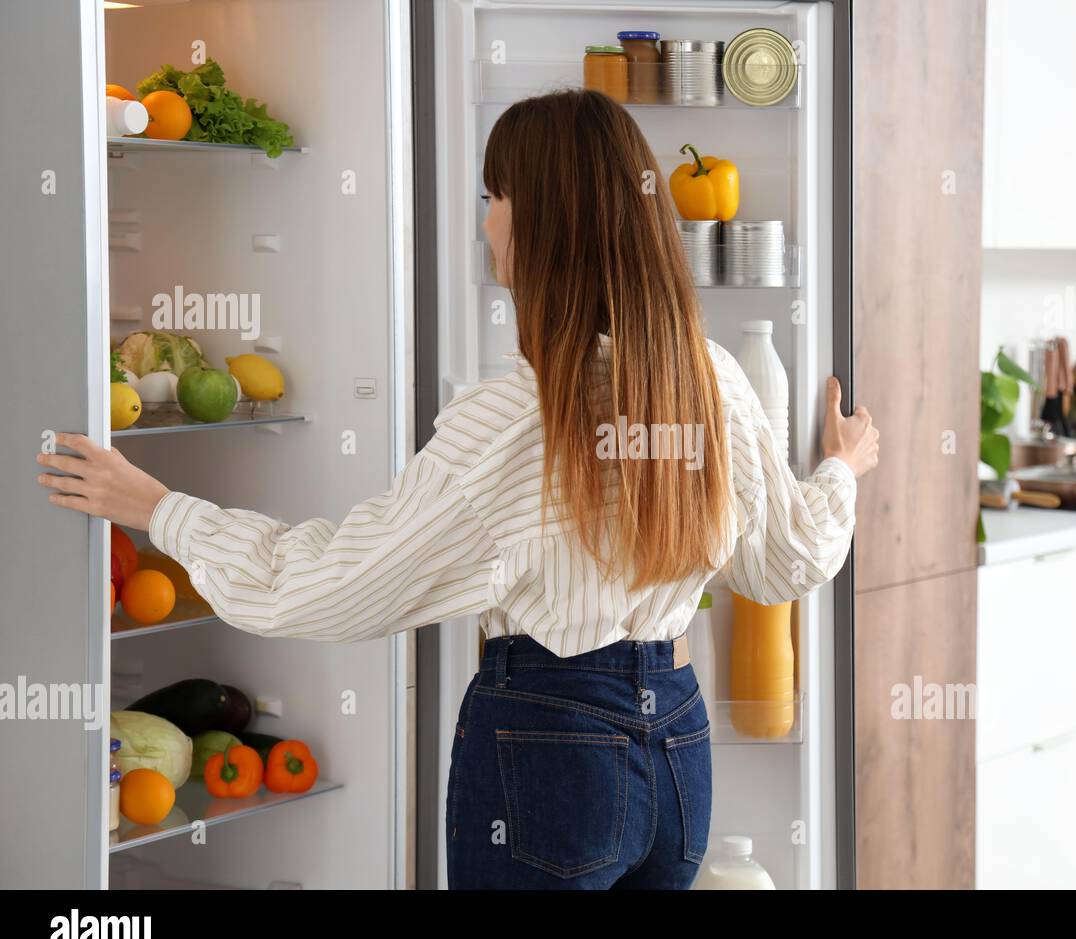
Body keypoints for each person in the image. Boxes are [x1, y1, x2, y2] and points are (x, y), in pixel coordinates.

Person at [37, 89, 878, 889]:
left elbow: (332, 587)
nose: (485, 223)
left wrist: (157, 506)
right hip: (680, 752)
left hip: (552, 747)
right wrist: (840, 468)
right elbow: (790, 560)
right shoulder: (712, 381)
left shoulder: (514, 416)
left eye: (493, 196)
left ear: (538, 222)